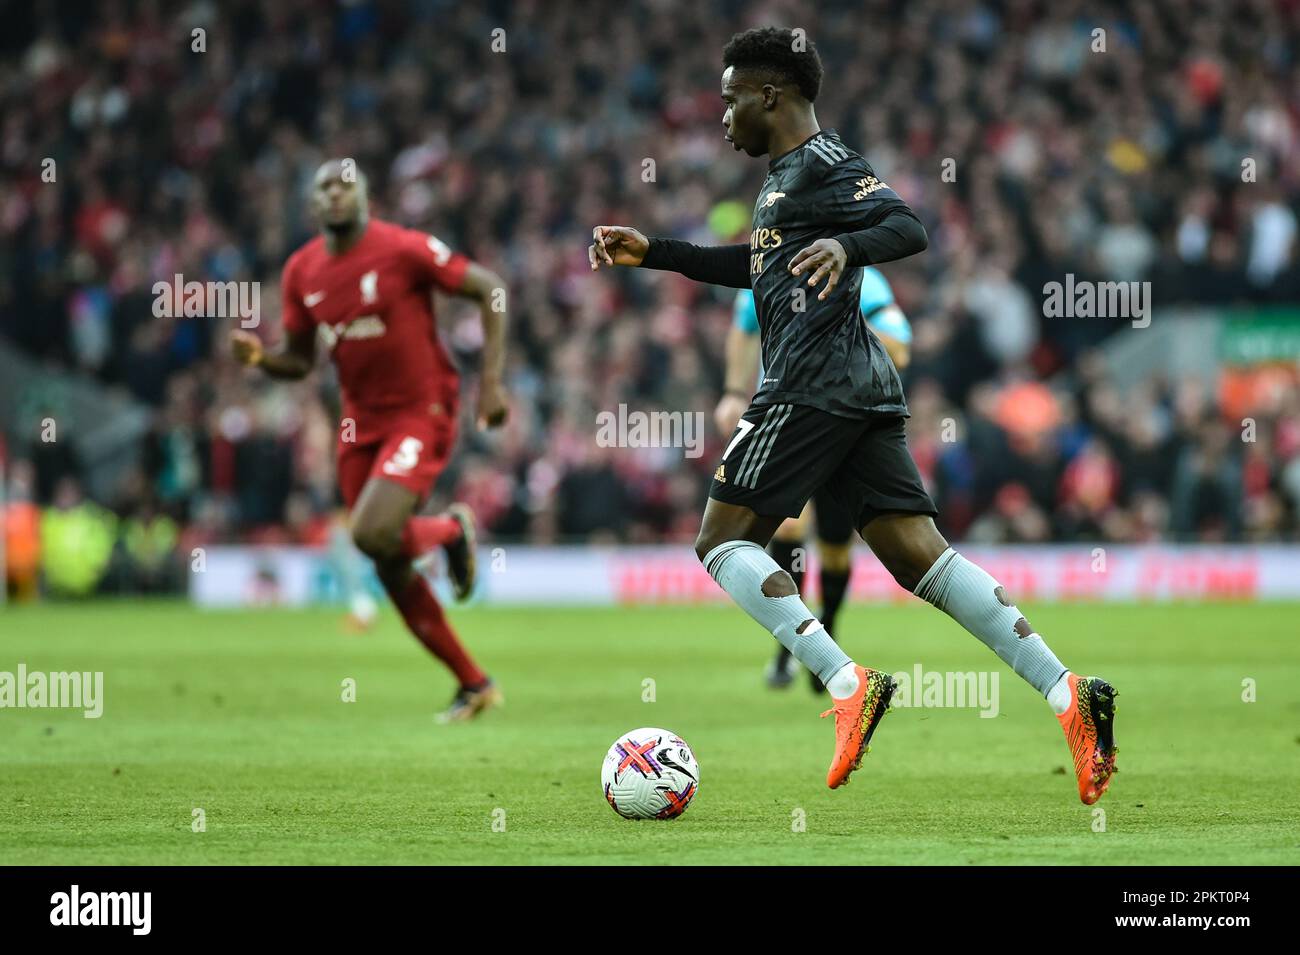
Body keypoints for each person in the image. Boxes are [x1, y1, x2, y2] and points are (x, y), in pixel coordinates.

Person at [589, 27, 1117, 802]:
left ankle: (846, 680)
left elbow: (908, 226)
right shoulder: (781, 182)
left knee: (721, 540)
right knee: (916, 556)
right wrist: (658, 251)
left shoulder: (824, 162)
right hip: (858, 388)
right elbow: (756, 263)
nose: (724, 115)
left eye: (732, 98)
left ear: (772, 94)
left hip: (810, 384)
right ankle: (1073, 696)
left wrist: (846, 245)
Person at [231, 160, 508, 723]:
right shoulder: (301, 271)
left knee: (372, 531)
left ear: (365, 194)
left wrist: (492, 383)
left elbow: (491, 290)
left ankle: (452, 530)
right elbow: (300, 360)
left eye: (345, 184)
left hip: (421, 410)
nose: (334, 193)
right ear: (313, 204)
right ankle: (474, 683)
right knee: (384, 557)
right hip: (359, 425)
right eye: (324, 187)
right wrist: (262, 358)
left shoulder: (403, 249)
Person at [717, 271, 911, 692]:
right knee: (789, 527)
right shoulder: (766, 270)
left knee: (837, 549)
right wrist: (734, 390)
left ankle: (829, 628)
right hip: (788, 423)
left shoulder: (865, 282)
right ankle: (791, 650)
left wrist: (844, 330)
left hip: (844, 426)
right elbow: (744, 328)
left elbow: (900, 346)